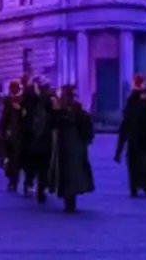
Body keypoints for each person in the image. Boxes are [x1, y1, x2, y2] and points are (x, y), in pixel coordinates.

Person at [49, 84, 95, 212]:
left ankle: (69, 199)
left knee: (69, 173)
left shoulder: (72, 110)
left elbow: (83, 124)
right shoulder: (74, 109)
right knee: (69, 173)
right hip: (69, 145)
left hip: (70, 145)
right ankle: (69, 199)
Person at [116, 74, 146, 198]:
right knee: (137, 165)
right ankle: (137, 186)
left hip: (142, 140)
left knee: (143, 165)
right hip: (137, 140)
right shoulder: (133, 100)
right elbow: (126, 123)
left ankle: (142, 184)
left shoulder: (145, 100)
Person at [20, 77, 55, 201]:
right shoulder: (30, 101)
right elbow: (24, 118)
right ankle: (30, 184)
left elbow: (53, 118)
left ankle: (40, 189)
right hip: (33, 138)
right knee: (32, 165)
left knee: (43, 166)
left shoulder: (49, 103)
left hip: (44, 139)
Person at [0, 79, 25, 192]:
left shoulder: (23, 100)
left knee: (15, 159)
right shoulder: (8, 101)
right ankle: (12, 178)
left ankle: (14, 180)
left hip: (19, 134)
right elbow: (4, 117)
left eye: (14, 88)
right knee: (10, 157)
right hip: (10, 134)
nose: (12, 90)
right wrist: (2, 130)